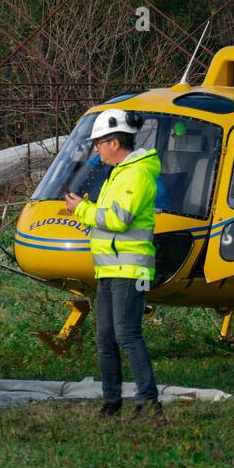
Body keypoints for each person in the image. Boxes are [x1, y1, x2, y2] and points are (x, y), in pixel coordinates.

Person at [64, 108, 164, 418]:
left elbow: (118, 219)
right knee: (105, 339)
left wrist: (82, 210)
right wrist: (86, 207)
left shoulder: (137, 173)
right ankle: (112, 403)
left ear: (114, 143)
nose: (96, 148)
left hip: (131, 268)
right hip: (109, 268)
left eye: (99, 143)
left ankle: (149, 404)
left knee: (127, 336)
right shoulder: (117, 174)